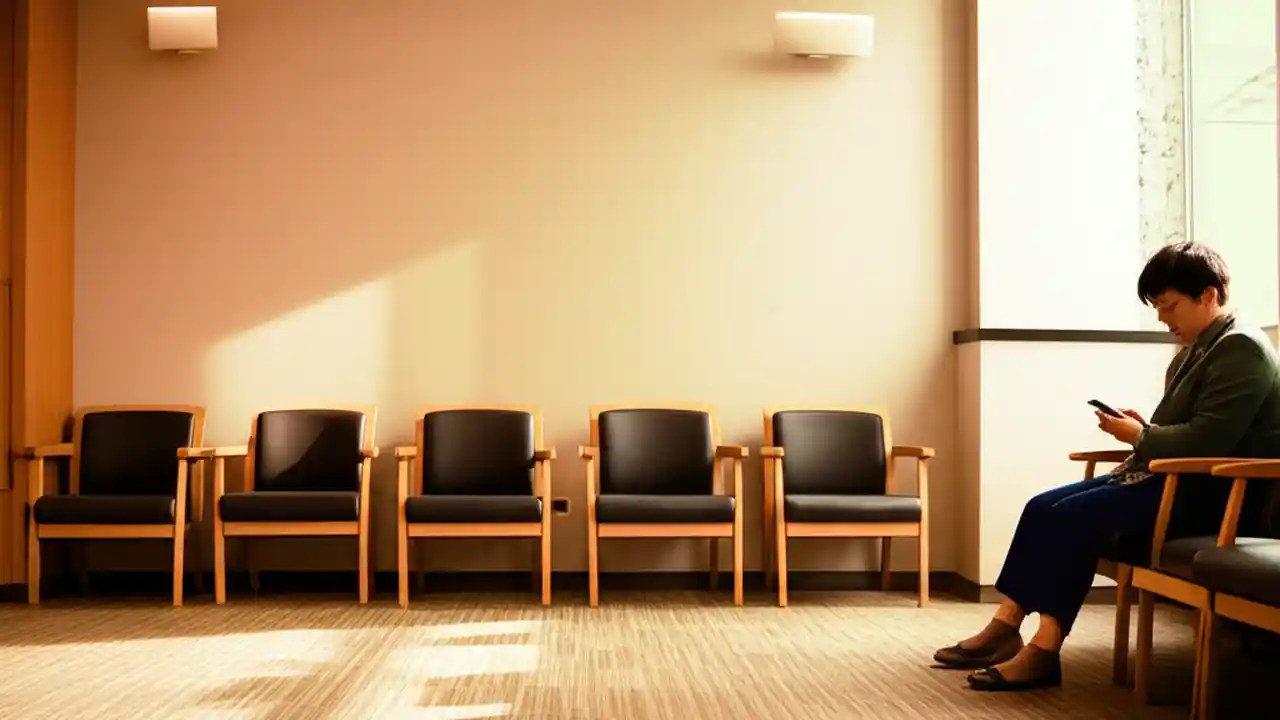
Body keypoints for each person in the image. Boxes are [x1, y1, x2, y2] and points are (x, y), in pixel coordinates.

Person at [933, 241, 1280, 691]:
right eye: (1157, 307)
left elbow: (1211, 439)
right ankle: (1006, 624)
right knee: (1042, 506)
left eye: (1169, 305)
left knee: (1072, 518)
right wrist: (1145, 428)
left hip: (1216, 495)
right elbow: (1192, 427)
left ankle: (1044, 649)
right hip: (1177, 479)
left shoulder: (1241, 349)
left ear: (1209, 295)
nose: (1162, 318)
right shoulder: (1199, 348)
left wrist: (1139, 436)